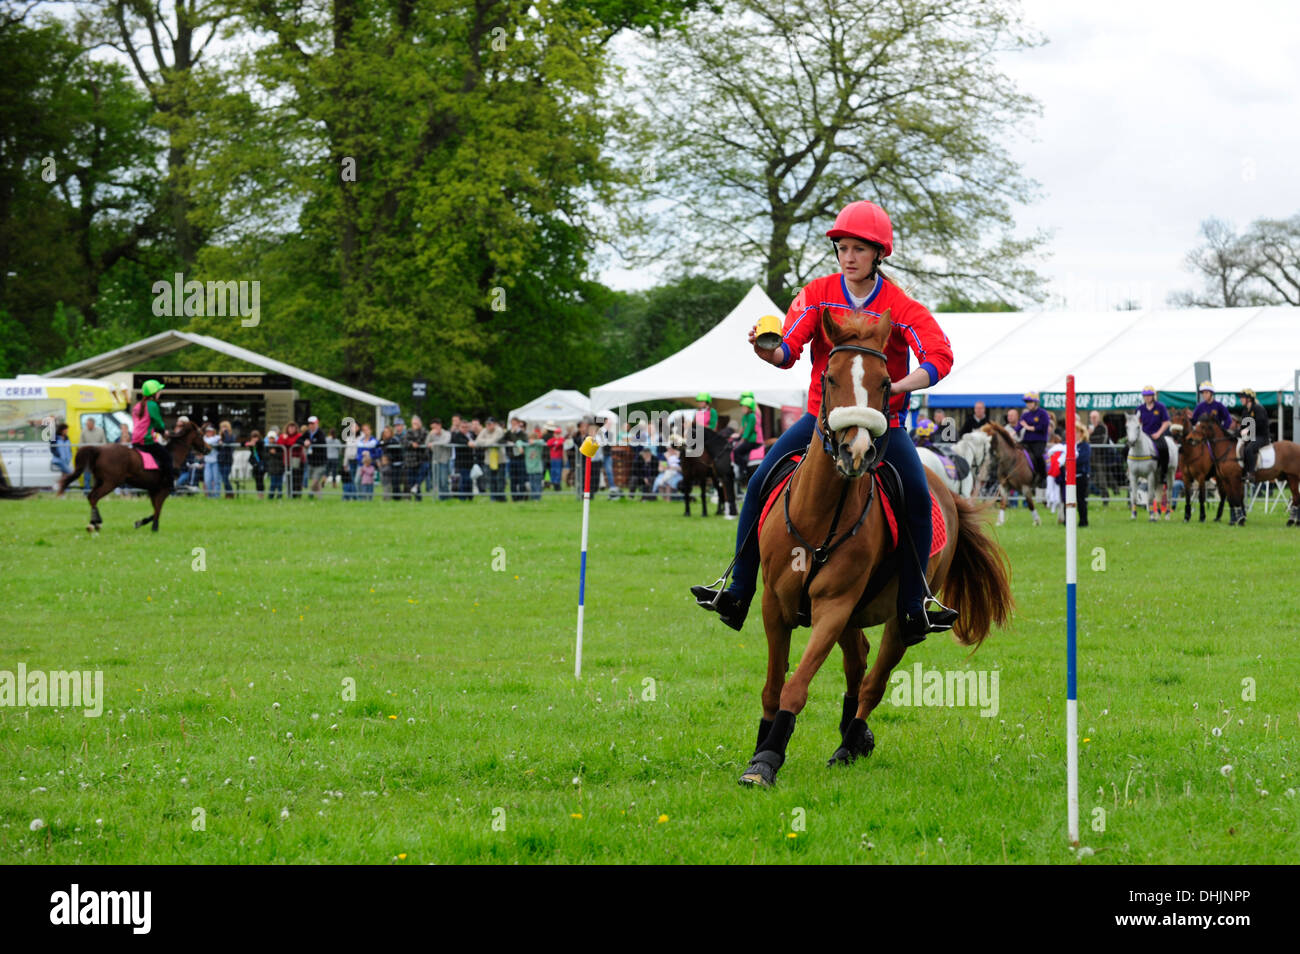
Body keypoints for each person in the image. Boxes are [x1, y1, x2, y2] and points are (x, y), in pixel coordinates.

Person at [691, 199, 957, 640]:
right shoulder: (816, 293)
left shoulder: (901, 306)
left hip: (882, 423)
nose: (848, 257)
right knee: (758, 483)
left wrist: (898, 386)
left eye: (858, 248)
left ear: (879, 254)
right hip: (822, 421)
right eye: (842, 247)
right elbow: (788, 350)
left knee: (916, 495)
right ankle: (736, 590)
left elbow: (940, 356)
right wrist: (766, 349)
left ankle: (915, 606)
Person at [130, 379, 174, 486]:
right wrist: (164, 432)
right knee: (167, 457)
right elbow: (158, 423)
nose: (160, 392)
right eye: (159, 391)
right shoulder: (152, 405)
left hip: (135, 439)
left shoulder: (137, 405)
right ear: (153, 393)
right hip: (146, 440)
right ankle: (169, 486)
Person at [1136, 386, 1172, 485]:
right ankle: (1130, 471)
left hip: (1157, 434)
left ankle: (1163, 474)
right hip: (1143, 436)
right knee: (1127, 448)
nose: (1147, 398)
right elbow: (1137, 423)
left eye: (1149, 395)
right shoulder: (1139, 409)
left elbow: (1166, 422)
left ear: (1153, 396)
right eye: (1145, 396)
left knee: (1164, 449)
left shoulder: (1160, 407)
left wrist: (1158, 433)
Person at [1017, 392, 1051, 486]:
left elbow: (1043, 427)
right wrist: (1009, 433)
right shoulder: (1025, 415)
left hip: (1039, 441)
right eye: (1027, 402)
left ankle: (1042, 477)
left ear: (1036, 403)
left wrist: (1029, 427)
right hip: (1027, 440)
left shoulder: (1043, 413)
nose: (1028, 404)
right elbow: (1018, 427)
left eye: (1030, 402)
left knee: (1038, 456)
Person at [1238, 388, 1269, 480]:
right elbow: (1242, 428)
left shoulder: (1258, 408)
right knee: (1240, 448)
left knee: (1248, 449)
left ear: (1249, 399)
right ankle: (1243, 471)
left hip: (1262, 437)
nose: (1241, 399)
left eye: (1243, 397)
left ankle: (1251, 473)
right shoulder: (1245, 411)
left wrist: (1248, 429)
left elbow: (1261, 423)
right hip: (1250, 437)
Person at [427, 418, 452, 500]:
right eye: (432, 428)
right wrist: (430, 435)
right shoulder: (432, 434)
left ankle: (446, 497)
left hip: (444, 460)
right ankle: (441, 497)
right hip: (435, 460)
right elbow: (426, 443)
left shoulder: (447, 434)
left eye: (434, 427)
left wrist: (433, 443)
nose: (433, 430)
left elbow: (445, 442)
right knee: (437, 480)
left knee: (443, 480)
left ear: (439, 426)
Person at [79, 416, 106, 492]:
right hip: (87, 456)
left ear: (93, 424)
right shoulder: (83, 431)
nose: (87, 426)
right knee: (87, 474)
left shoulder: (100, 431)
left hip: (98, 456)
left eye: (88, 424)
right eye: (86, 424)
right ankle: (86, 491)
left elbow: (104, 443)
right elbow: (80, 444)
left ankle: (97, 490)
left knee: (98, 474)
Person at [1075, 420, 1091, 527]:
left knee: (1081, 499)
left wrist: (1071, 462)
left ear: (1081, 433)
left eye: (1076, 432)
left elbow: (1083, 459)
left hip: (1081, 475)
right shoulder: (1069, 444)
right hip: (1069, 476)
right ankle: (1068, 520)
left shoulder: (1084, 445)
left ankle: (1083, 521)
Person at [524, 426, 546, 500]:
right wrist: (521, 447)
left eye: (532, 438)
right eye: (530, 439)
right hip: (530, 469)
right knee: (532, 485)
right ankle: (533, 498)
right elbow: (518, 442)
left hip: (537, 469)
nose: (530, 440)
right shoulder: (527, 446)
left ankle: (538, 498)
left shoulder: (538, 446)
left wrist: (534, 442)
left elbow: (542, 441)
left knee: (537, 484)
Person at [217, 420, 237, 497]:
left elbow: (228, 441)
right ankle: (228, 494)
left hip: (228, 460)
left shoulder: (231, 436)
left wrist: (225, 433)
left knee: (225, 477)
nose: (223, 428)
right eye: (222, 427)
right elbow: (218, 448)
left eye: (225, 427)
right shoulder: (219, 437)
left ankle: (230, 492)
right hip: (221, 460)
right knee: (223, 478)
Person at [265, 429, 285, 498]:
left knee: (279, 484)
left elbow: (281, 455)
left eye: (272, 438)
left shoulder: (279, 447)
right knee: (273, 484)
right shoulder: (266, 447)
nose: (271, 439)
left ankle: (279, 496)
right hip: (272, 469)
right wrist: (270, 453)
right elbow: (265, 456)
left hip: (279, 468)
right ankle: (271, 496)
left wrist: (275, 453)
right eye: (270, 438)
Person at [246, 430, 266, 498]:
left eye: (256, 437)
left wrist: (255, 443)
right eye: (253, 437)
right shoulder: (251, 443)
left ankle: (261, 495)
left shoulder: (261, 442)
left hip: (261, 463)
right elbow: (243, 444)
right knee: (257, 479)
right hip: (255, 464)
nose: (255, 439)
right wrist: (248, 444)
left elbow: (260, 443)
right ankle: (259, 494)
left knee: (260, 479)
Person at [202, 424, 220, 498]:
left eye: (210, 431)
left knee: (216, 480)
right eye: (207, 431)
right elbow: (207, 442)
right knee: (207, 480)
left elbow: (209, 442)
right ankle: (209, 495)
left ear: (213, 432)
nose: (208, 432)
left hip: (215, 461)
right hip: (207, 462)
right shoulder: (204, 438)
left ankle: (216, 496)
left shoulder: (217, 437)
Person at [546, 423, 565, 490]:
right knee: (553, 471)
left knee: (558, 471)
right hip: (553, 458)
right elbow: (548, 443)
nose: (557, 435)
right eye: (556, 433)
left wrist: (555, 445)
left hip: (559, 458)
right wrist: (555, 444)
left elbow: (561, 443)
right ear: (554, 434)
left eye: (558, 433)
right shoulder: (552, 439)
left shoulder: (561, 439)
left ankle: (557, 484)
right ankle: (553, 482)